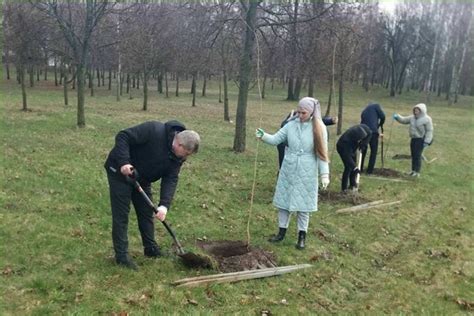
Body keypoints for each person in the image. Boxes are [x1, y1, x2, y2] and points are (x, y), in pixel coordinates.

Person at [104, 120, 200, 270]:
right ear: (179, 144)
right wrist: (124, 162)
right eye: (186, 153)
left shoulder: (177, 158)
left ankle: (150, 249)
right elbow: (123, 136)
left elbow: (171, 179)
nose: (185, 157)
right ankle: (121, 256)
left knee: (146, 214)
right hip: (120, 172)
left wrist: (164, 206)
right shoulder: (154, 130)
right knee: (121, 215)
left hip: (142, 178)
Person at [256, 97, 330, 250]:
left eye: (303, 113)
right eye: (299, 111)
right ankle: (281, 232)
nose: (300, 115)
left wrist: (324, 175)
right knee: (284, 202)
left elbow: (322, 153)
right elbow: (276, 139)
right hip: (289, 168)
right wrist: (263, 136)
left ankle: (301, 236)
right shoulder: (290, 125)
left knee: (304, 206)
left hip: (307, 170)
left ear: (311, 113)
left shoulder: (319, 128)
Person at [393, 103, 433, 177]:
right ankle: (413, 171)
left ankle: (417, 172)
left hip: (421, 140)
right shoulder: (412, 118)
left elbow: (429, 131)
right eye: (415, 110)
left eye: (417, 110)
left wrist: (427, 141)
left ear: (422, 111)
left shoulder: (427, 119)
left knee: (417, 156)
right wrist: (397, 117)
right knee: (413, 155)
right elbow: (404, 120)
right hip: (413, 139)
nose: (415, 112)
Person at [336, 124, 372, 192]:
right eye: (359, 140)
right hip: (342, 147)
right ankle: (344, 189)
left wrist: (364, 143)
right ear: (355, 139)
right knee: (349, 167)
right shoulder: (346, 142)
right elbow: (347, 157)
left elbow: (370, 134)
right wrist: (355, 168)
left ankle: (352, 184)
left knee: (353, 164)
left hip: (352, 147)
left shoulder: (365, 129)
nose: (360, 141)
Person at [360, 102, 385, 174]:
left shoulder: (364, 111)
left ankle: (360, 168)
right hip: (373, 132)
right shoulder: (376, 106)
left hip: (363, 131)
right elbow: (383, 116)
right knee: (373, 151)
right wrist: (380, 124)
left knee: (363, 149)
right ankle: (369, 171)